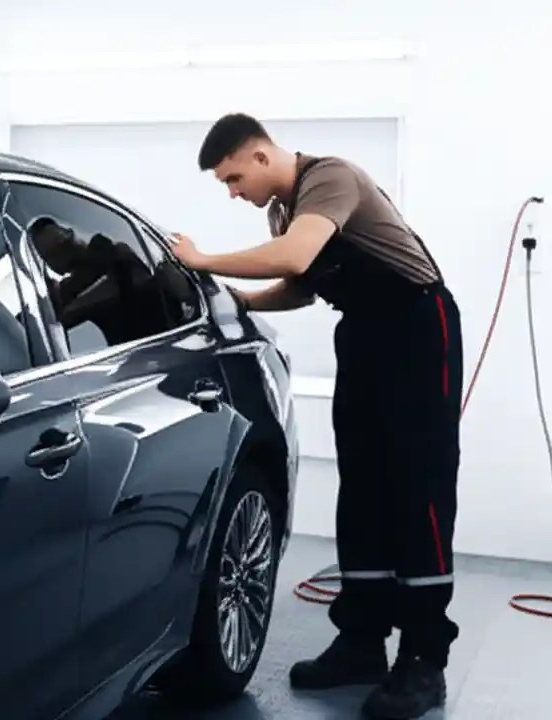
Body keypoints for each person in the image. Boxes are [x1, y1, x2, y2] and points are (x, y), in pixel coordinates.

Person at [169, 113, 461, 720]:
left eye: (231, 178)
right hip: (364, 332)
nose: (232, 192)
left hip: (416, 325)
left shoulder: (330, 178)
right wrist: (244, 301)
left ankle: (424, 659)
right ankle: (361, 641)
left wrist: (203, 262)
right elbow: (301, 286)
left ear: (259, 155)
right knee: (362, 487)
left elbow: (297, 256)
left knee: (416, 486)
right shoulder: (284, 211)